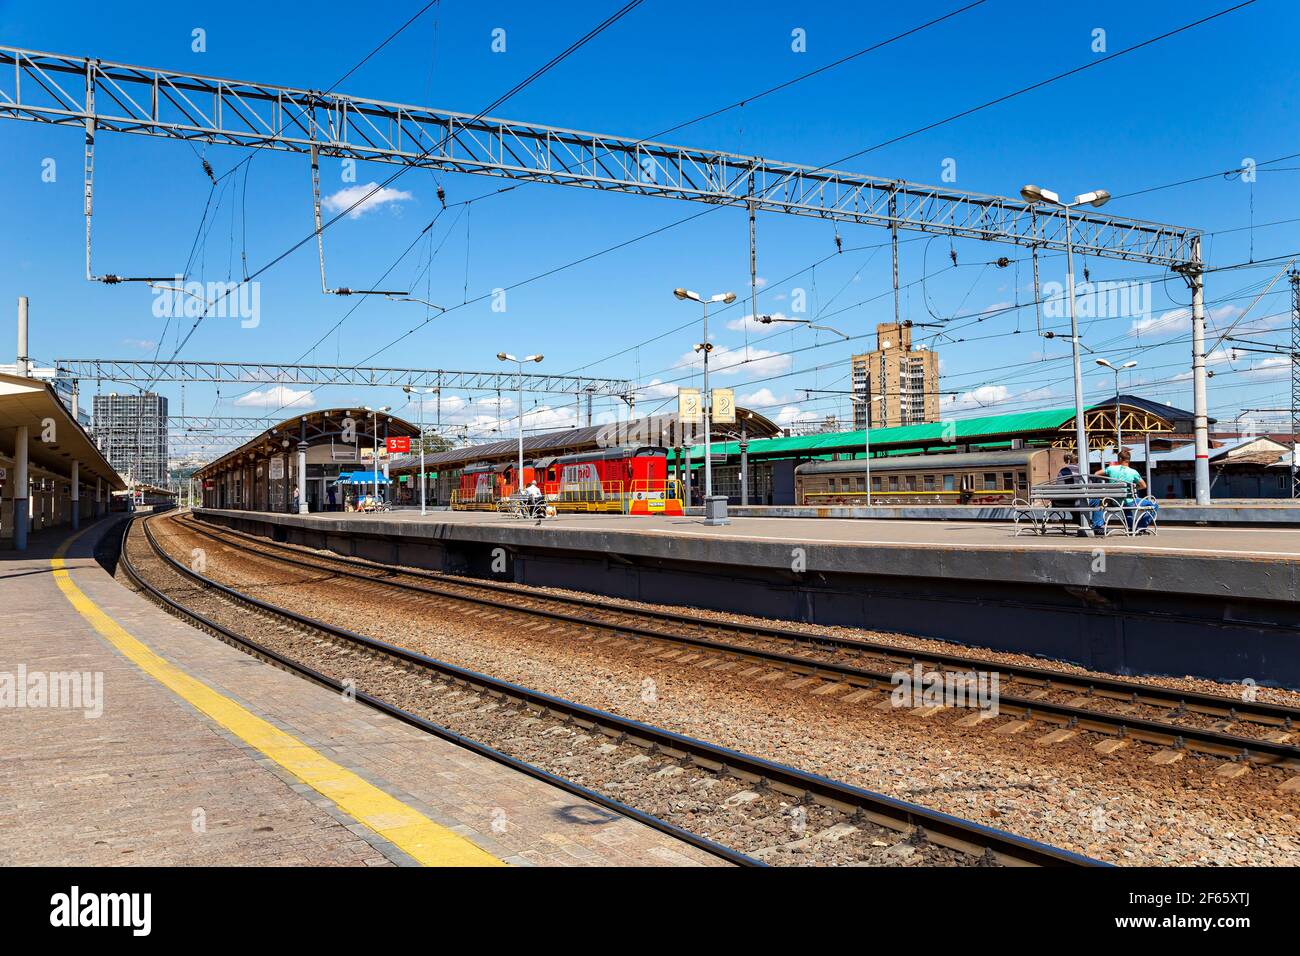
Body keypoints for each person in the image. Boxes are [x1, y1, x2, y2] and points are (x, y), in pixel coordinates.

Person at [1091, 448, 1148, 532]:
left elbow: (1096, 474)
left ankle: (1097, 526)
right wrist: (1134, 489)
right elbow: (1143, 486)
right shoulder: (1133, 472)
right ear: (1129, 460)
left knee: (1100, 502)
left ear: (1120, 459)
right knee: (1154, 505)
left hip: (1114, 500)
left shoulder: (1111, 468)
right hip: (1129, 501)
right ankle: (1140, 527)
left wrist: (1109, 480)